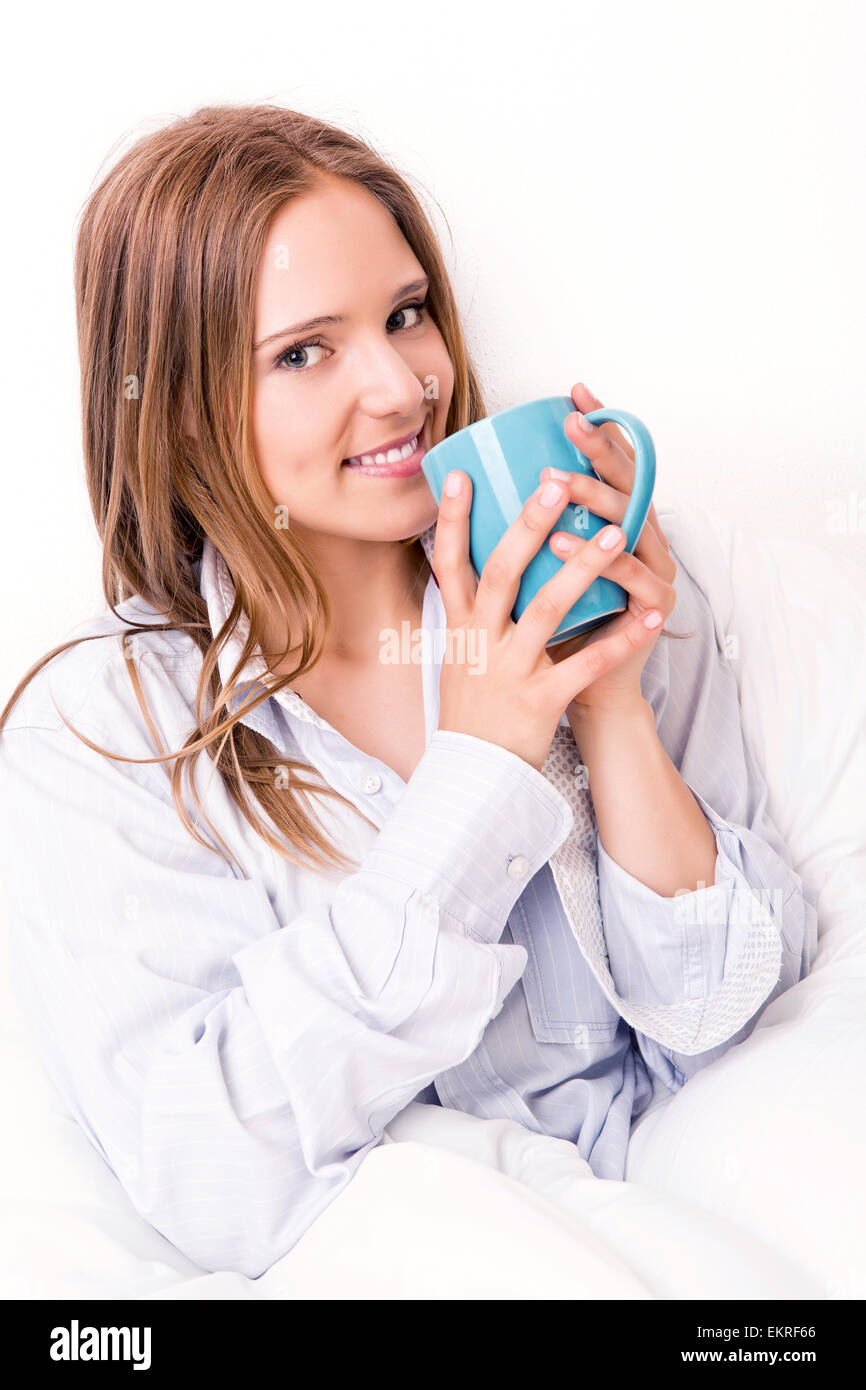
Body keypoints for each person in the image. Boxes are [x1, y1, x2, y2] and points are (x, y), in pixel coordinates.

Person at [0, 103, 817, 1280]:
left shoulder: (584, 581)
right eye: (303, 350)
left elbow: (724, 1019)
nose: (399, 385)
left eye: (404, 313)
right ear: (178, 405)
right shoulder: (105, 730)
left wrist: (608, 695)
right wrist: (478, 778)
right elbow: (210, 1169)